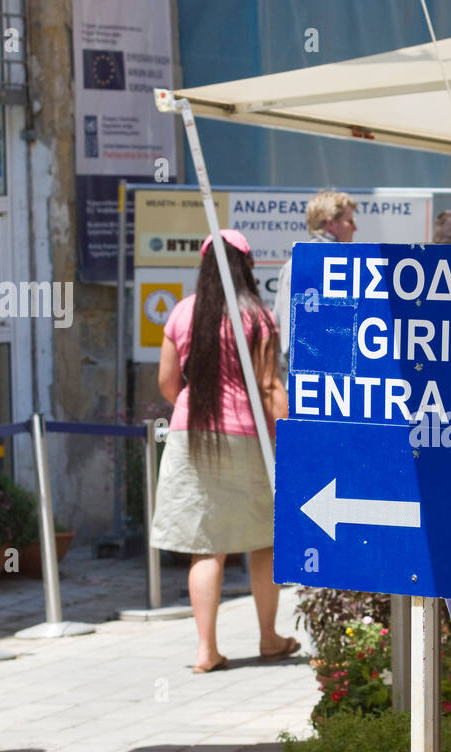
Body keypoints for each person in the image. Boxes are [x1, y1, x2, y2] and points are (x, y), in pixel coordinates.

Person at [151, 229, 299, 672]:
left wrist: (192, 402)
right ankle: (269, 638)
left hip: (190, 433)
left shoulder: (183, 314)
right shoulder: (257, 318)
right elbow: (270, 384)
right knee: (265, 541)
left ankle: (205, 650)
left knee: (206, 546)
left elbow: (166, 383)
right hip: (248, 436)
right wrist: (290, 436)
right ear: (245, 267)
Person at [271, 190, 358, 371]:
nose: (354, 228)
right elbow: (289, 339)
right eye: (349, 221)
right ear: (331, 223)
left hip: (337, 382)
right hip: (311, 382)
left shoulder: (350, 265)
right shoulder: (301, 264)